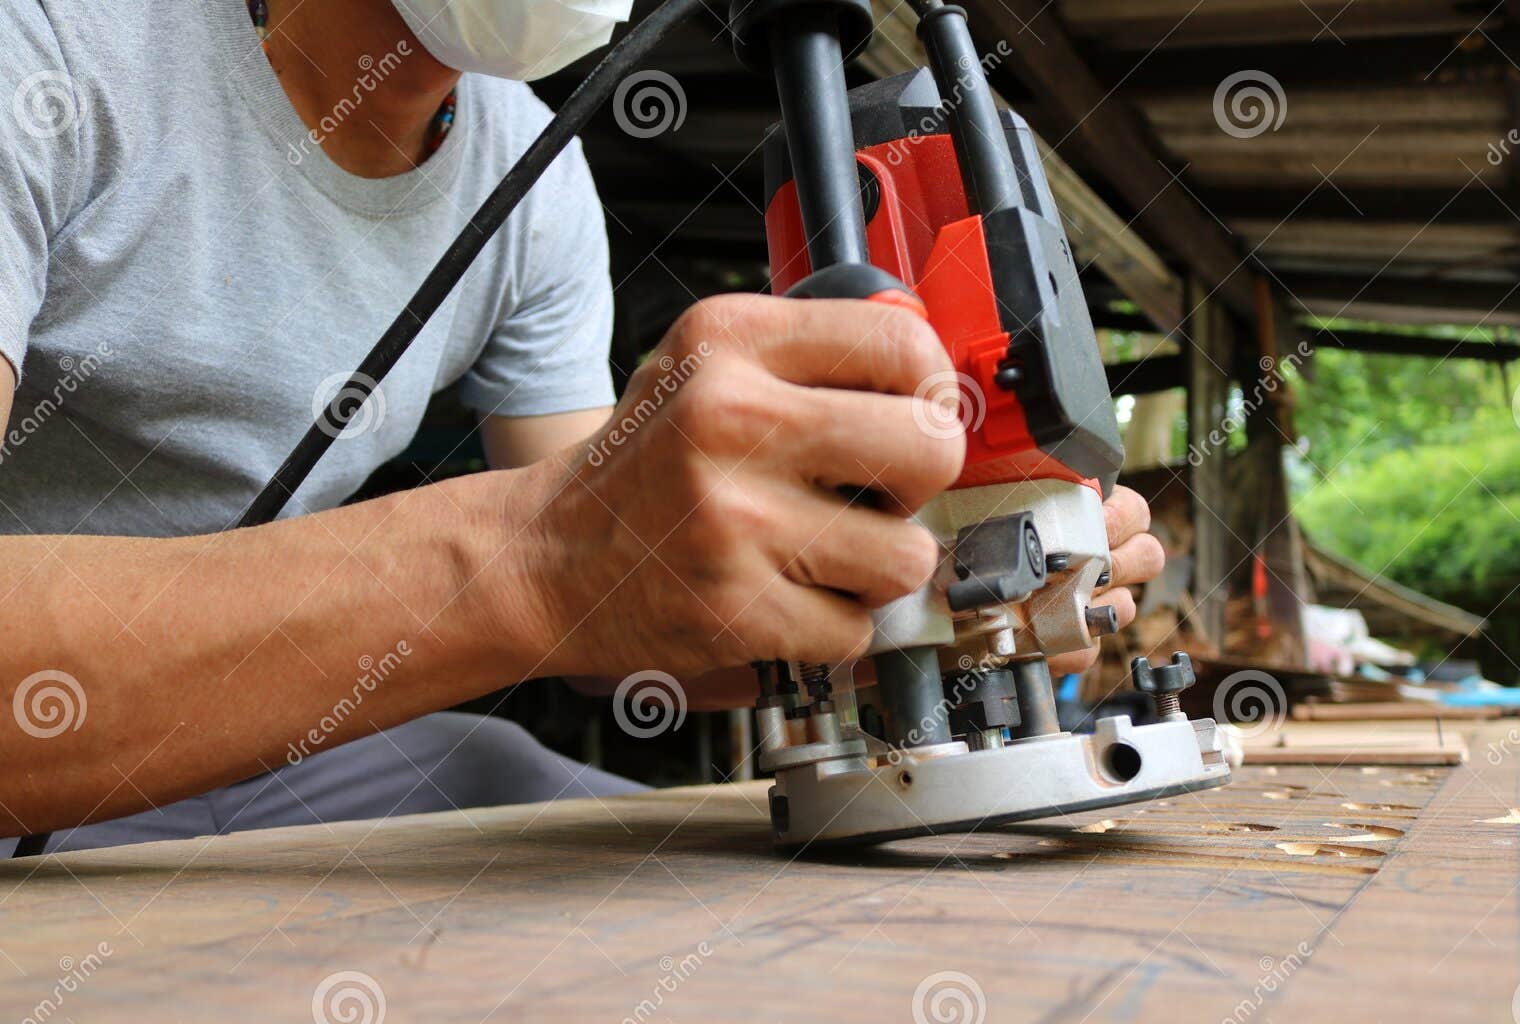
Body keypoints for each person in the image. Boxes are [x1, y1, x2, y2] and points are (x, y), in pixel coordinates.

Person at [0, 0, 1164, 852]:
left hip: (265, 748)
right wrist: (533, 558)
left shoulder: (531, 177)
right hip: (41, 750)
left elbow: (638, 609)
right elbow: (566, 561)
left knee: (570, 828)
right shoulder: (53, 47)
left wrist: (919, 581)